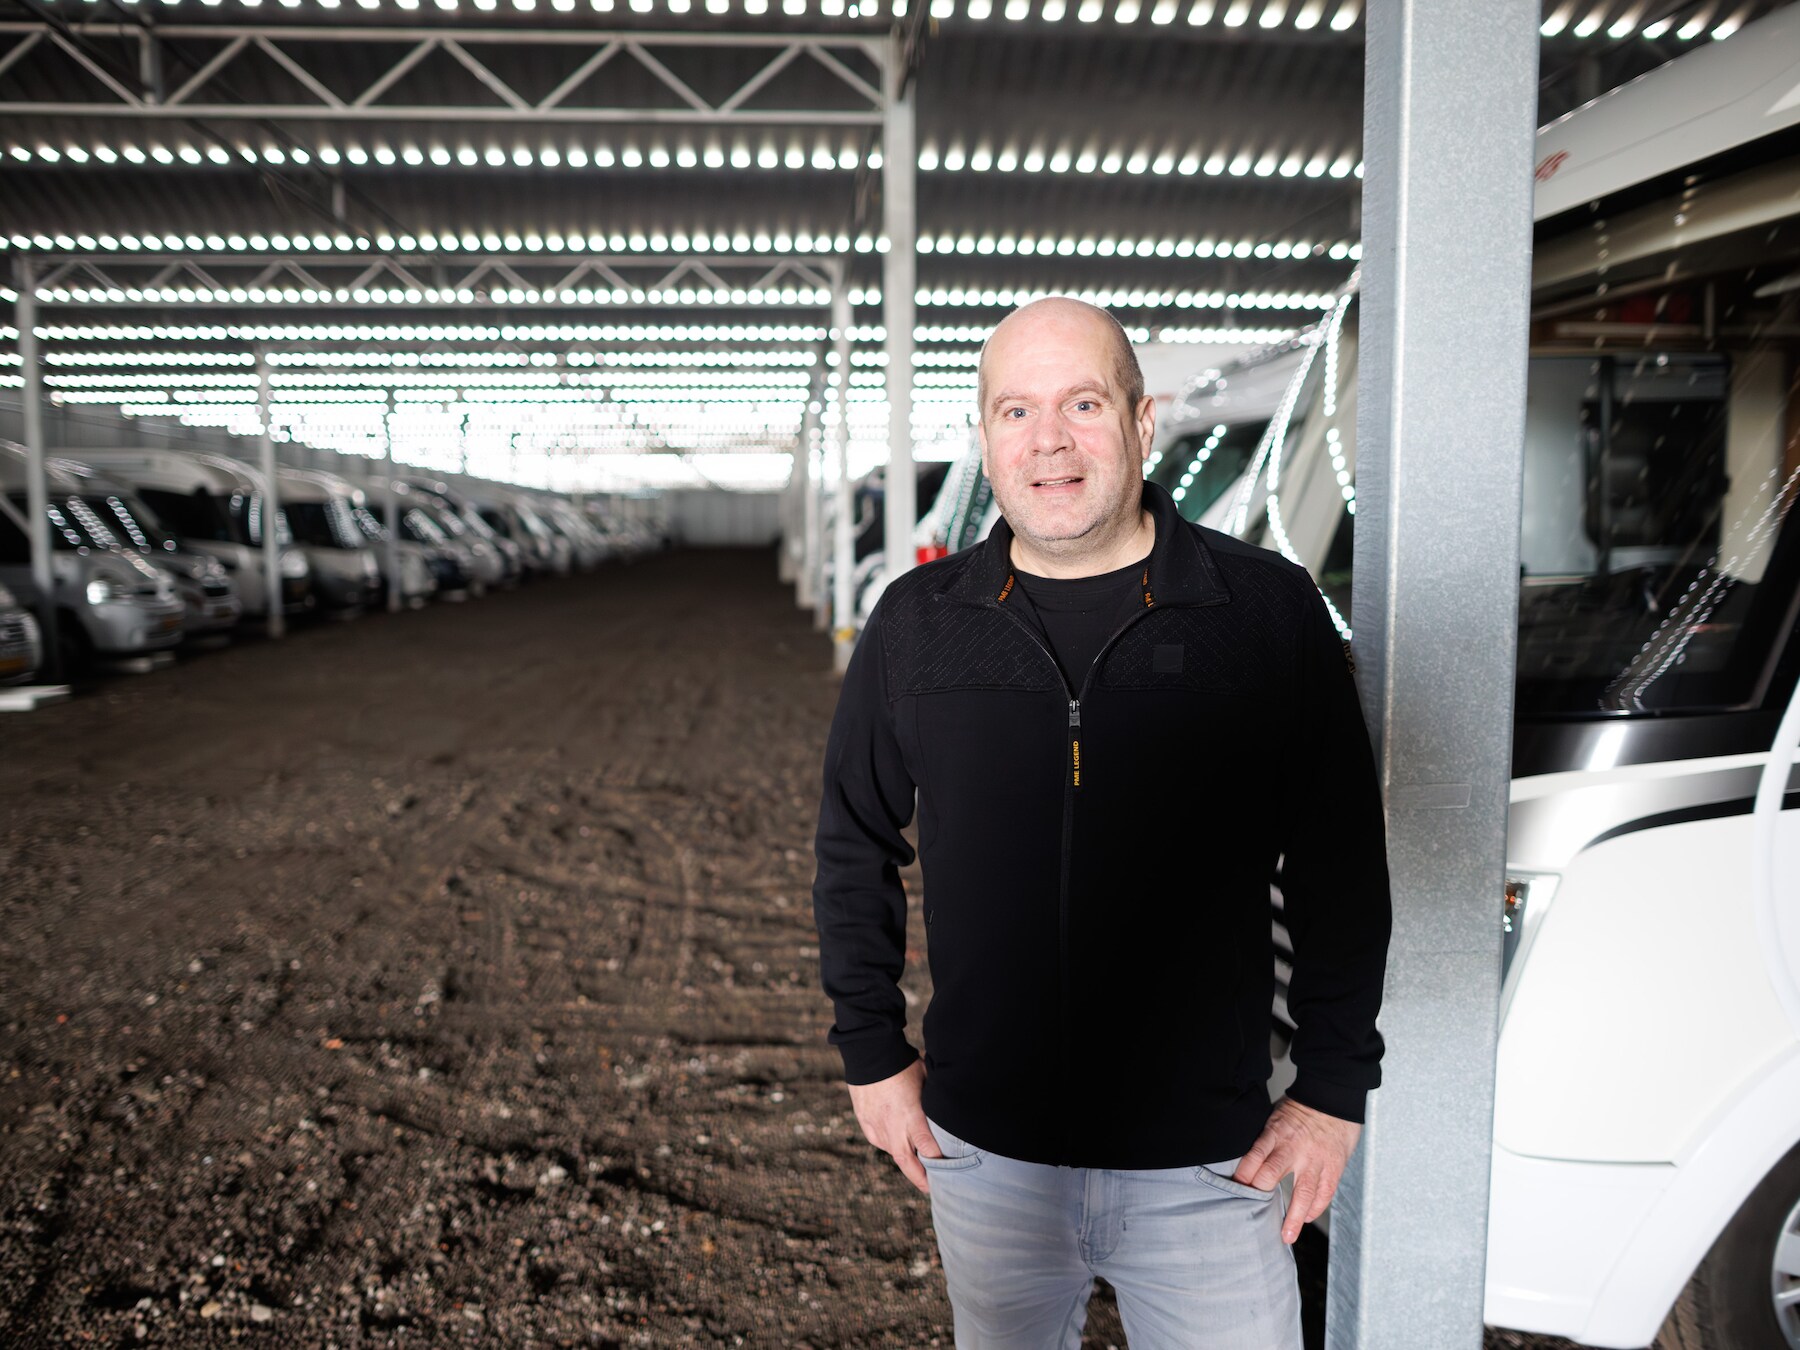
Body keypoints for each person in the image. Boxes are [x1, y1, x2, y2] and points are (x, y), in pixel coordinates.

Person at [812, 296, 1391, 1348]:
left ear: (1139, 419)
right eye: (1016, 411)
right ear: (984, 438)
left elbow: (1339, 866)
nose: (1050, 442)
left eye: (1082, 403)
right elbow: (854, 839)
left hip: (1212, 1161)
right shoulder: (918, 625)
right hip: (988, 1157)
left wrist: (1332, 1090)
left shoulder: (1262, 614)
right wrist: (869, 1052)